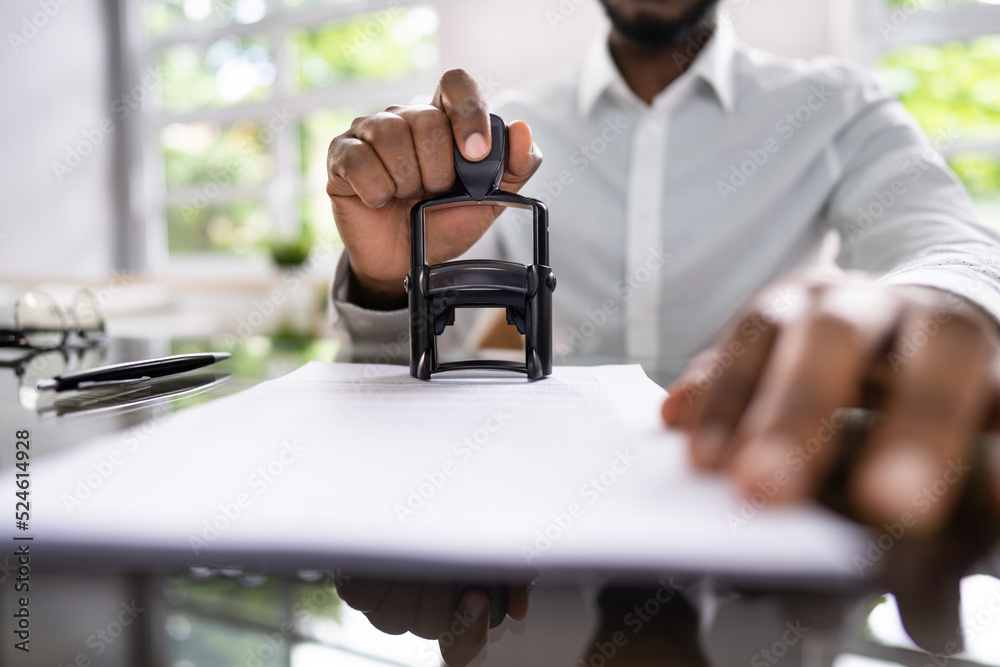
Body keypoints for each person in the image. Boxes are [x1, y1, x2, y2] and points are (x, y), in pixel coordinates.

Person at [325, 0, 1000, 663]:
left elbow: (953, 247)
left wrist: (934, 301)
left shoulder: (836, 105)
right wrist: (388, 284)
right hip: (525, 548)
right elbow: (430, 364)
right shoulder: (500, 148)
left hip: (766, 556)